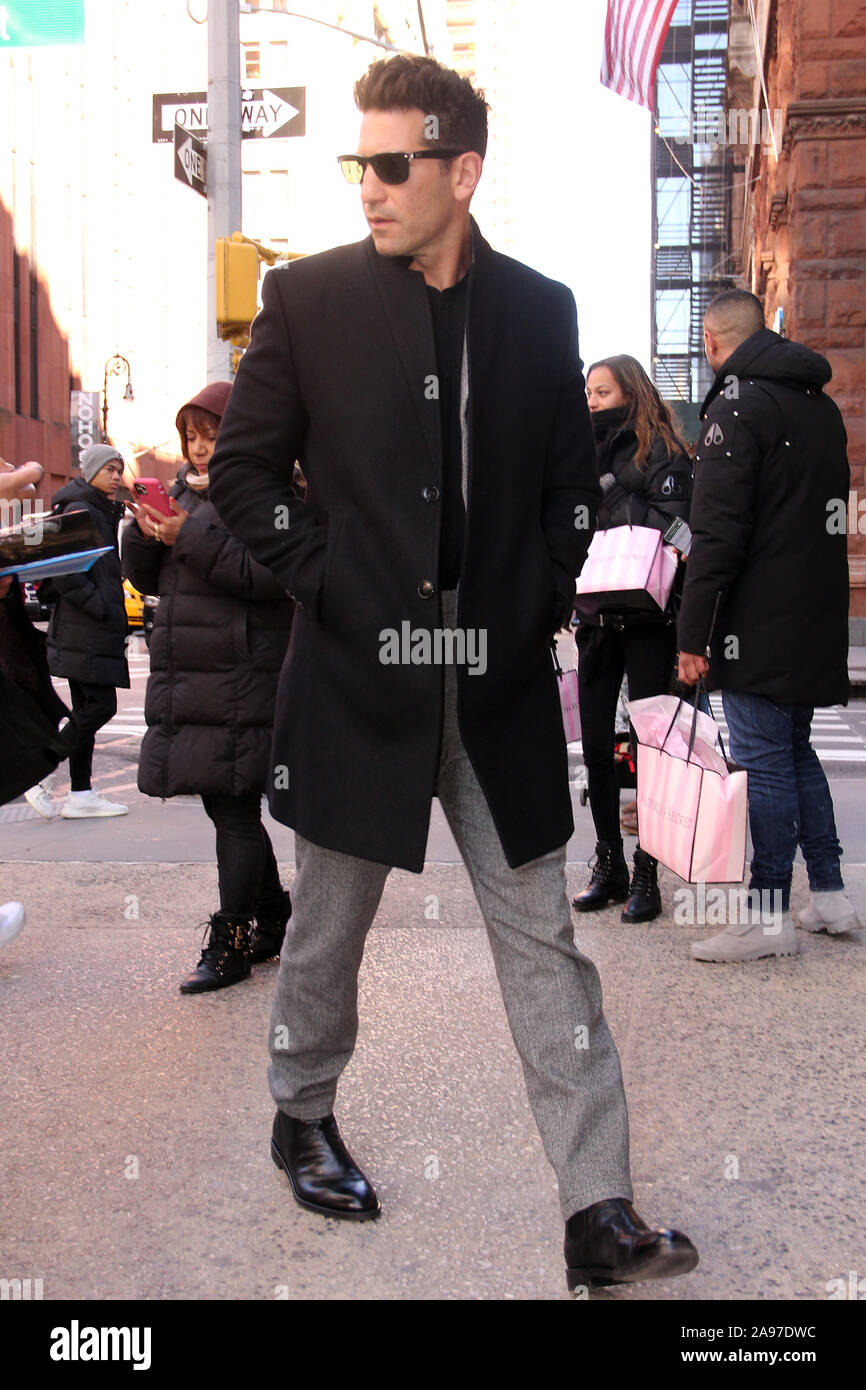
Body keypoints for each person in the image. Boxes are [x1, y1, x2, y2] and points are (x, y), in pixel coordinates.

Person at [208, 55, 698, 1291]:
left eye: (390, 166)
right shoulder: (307, 300)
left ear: (459, 172)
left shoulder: (538, 310)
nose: (366, 189)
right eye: (356, 165)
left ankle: (597, 1207)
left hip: (494, 696)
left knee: (544, 946)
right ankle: (300, 1112)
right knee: (324, 936)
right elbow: (245, 478)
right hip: (360, 689)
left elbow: (567, 492)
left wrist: (533, 593)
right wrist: (328, 582)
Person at [677, 289, 858, 961]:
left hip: (756, 620)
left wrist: (693, 635)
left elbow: (716, 533)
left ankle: (768, 914)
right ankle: (833, 896)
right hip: (813, 612)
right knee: (795, 752)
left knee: (762, 761)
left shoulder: (738, 406)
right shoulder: (822, 408)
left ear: (715, 343)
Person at [122, 383, 294, 993]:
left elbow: (267, 575)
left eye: (211, 436)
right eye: (191, 437)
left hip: (244, 669)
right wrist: (144, 533)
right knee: (226, 801)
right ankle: (271, 913)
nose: (198, 450)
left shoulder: (269, 494)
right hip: (192, 670)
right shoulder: (179, 498)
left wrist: (184, 536)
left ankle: (233, 938)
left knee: (235, 804)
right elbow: (146, 579)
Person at [572, 356, 692, 922]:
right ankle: (608, 863)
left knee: (651, 751)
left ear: (630, 391)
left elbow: (684, 531)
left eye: (603, 390)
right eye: (588, 391)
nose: (592, 400)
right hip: (596, 620)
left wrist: (618, 499)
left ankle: (648, 871)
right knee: (596, 748)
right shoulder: (577, 453)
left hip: (649, 620)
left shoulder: (663, 450)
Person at [31, 445, 129, 818]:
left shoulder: (97, 509)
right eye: (109, 468)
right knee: (101, 707)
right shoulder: (81, 509)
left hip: (84, 630)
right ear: (89, 472)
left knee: (87, 709)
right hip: (84, 629)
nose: (117, 475)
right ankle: (41, 770)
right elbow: (64, 571)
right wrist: (100, 605)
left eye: (119, 469)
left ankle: (81, 794)